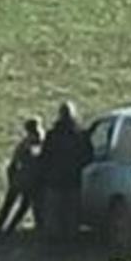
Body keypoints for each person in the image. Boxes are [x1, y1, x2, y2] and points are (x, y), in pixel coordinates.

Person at [39, 101, 92, 243]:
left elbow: (45, 157)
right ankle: (71, 240)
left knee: (54, 213)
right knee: (72, 213)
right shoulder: (81, 134)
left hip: (55, 180)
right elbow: (88, 155)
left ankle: (54, 241)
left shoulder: (53, 135)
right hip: (73, 179)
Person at [0, 117, 45, 239]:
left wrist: (12, 178)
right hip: (27, 181)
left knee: (15, 206)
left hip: (22, 180)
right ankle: (5, 229)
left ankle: (2, 229)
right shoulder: (35, 144)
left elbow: (13, 165)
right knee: (19, 206)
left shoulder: (26, 144)